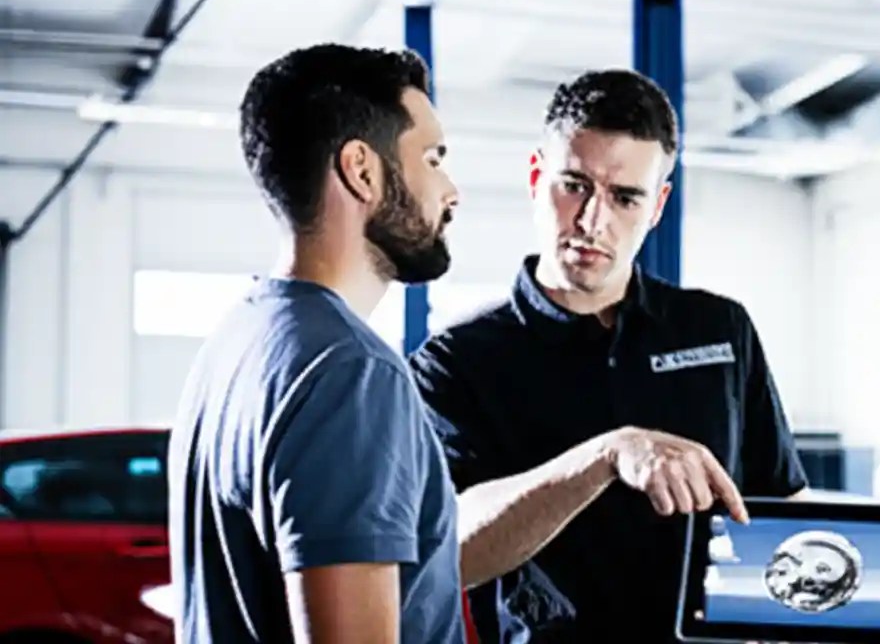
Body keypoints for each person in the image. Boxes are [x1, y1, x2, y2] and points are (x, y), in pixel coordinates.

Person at [409, 69, 810, 642]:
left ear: (657, 206)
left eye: (625, 197)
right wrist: (604, 457)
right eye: (574, 185)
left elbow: (783, 511)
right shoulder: (455, 363)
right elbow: (447, 553)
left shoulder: (720, 328)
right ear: (535, 177)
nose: (593, 220)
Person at [167, 43, 467, 643]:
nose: (451, 191)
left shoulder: (237, 342)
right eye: (433, 159)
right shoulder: (350, 372)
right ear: (362, 169)